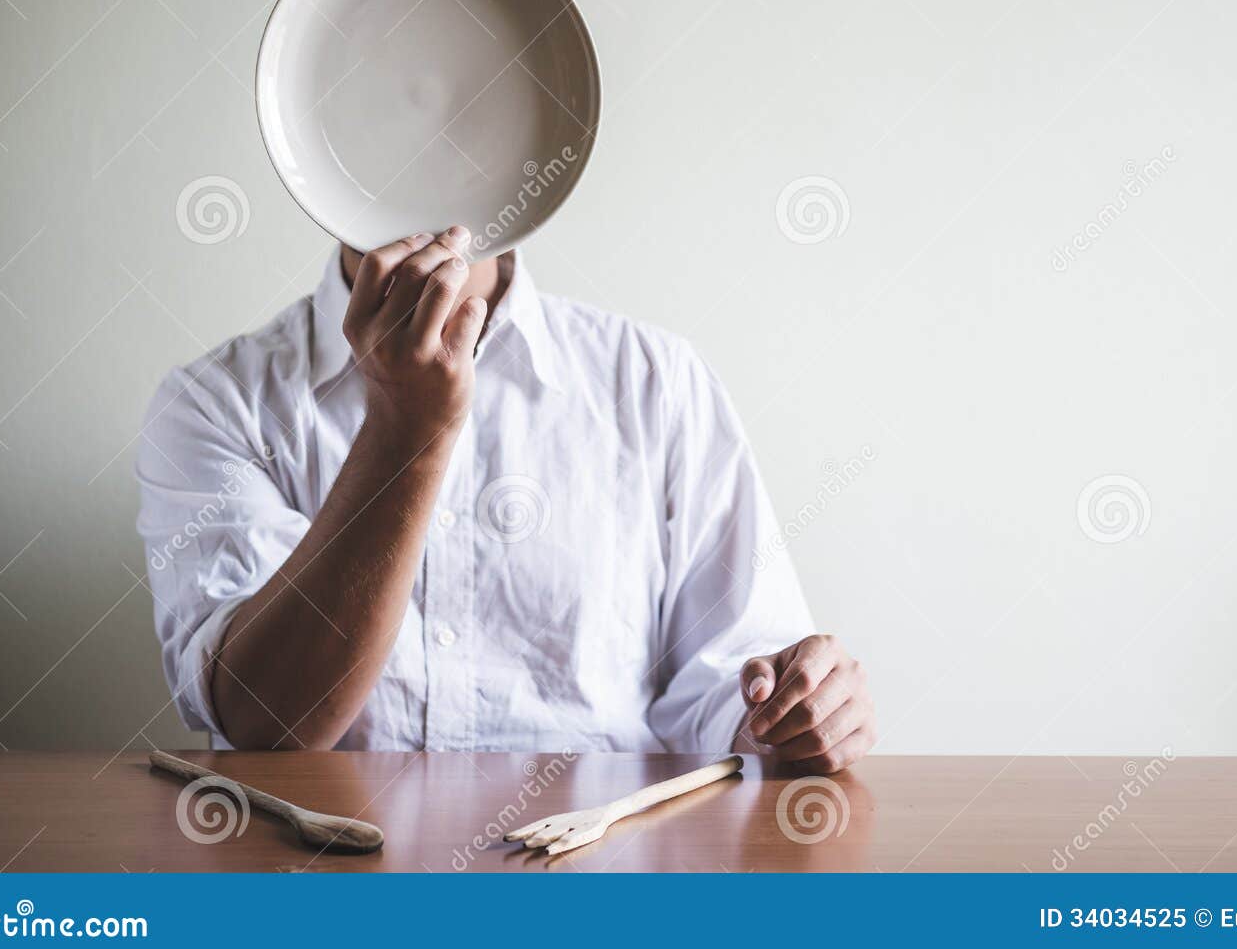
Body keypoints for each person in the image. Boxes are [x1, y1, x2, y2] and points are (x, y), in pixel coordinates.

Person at [136, 226, 875, 772]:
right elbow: (264, 721)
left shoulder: (657, 382)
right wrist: (405, 435)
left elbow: (730, 685)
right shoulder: (217, 401)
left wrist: (786, 715)